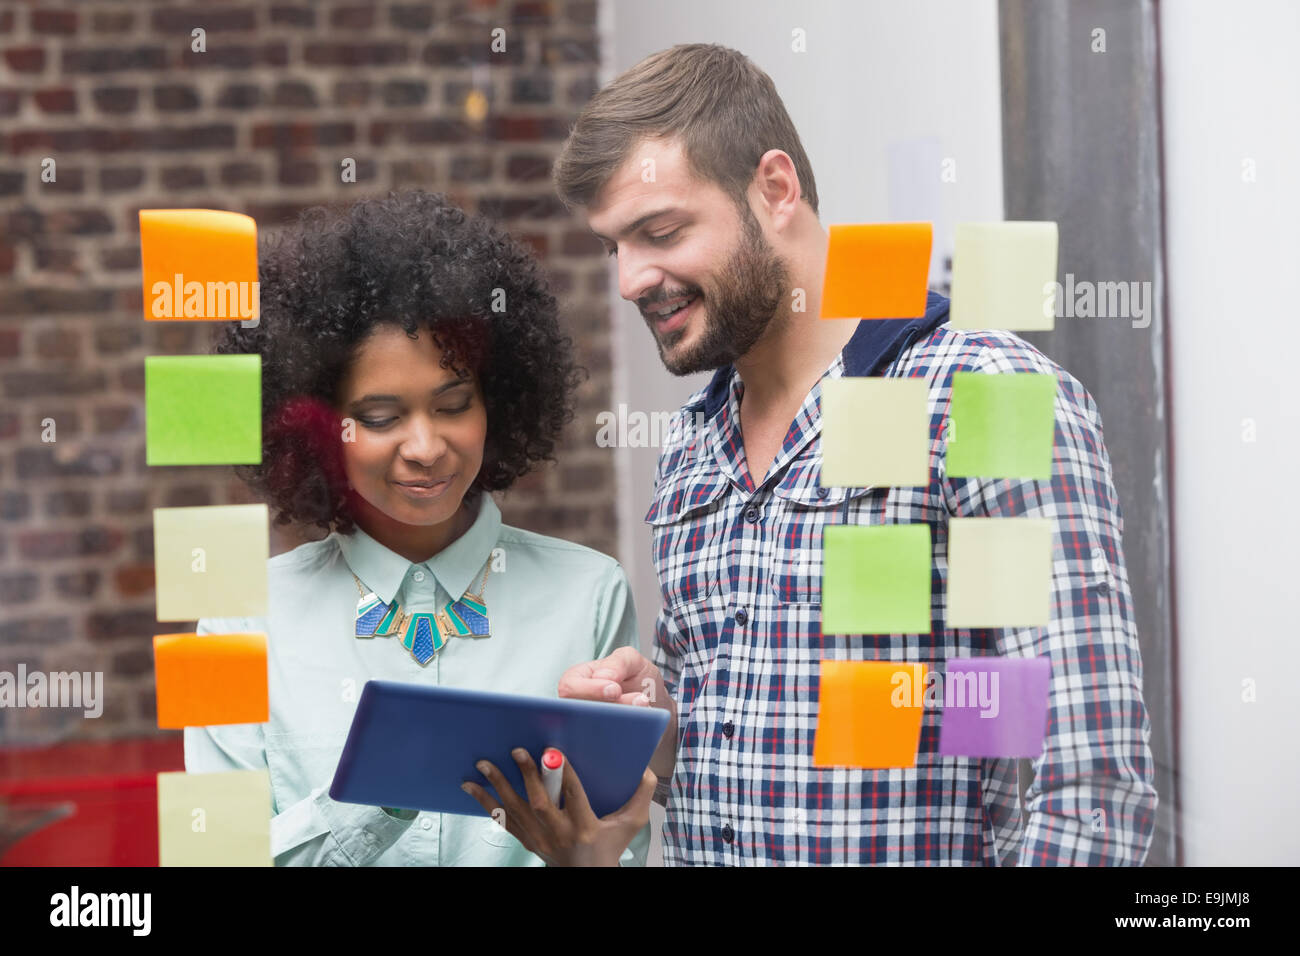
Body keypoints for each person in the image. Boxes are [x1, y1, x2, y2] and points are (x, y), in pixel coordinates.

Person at [548, 43, 1159, 865]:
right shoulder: (690, 448)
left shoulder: (980, 396)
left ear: (774, 188)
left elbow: (1077, 792)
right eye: (613, 245)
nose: (629, 280)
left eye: (660, 232)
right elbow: (747, 753)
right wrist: (659, 718)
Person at [185, 190, 654, 866]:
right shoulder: (240, 628)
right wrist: (387, 785)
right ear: (317, 429)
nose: (426, 447)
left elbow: (620, 847)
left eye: (454, 404)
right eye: (380, 417)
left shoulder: (589, 596)